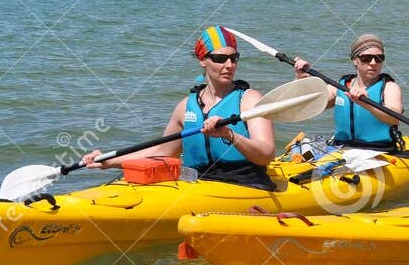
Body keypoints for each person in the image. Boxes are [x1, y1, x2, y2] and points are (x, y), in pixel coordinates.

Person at [84, 26, 275, 184]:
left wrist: (229, 134)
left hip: (247, 184)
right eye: (220, 58)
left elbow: (266, 155)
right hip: (197, 183)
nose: (229, 65)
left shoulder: (250, 100)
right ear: (202, 60)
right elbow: (162, 152)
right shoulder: (185, 107)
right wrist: (109, 161)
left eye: (234, 58)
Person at [294, 33, 403, 150]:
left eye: (379, 58)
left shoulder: (389, 87)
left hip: (378, 149)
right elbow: (309, 105)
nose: (373, 63)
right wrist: (302, 80)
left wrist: (366, 104)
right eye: (366, 58)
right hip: (341, 147)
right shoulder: (340, 86)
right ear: (355, 60)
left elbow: (395, 119)